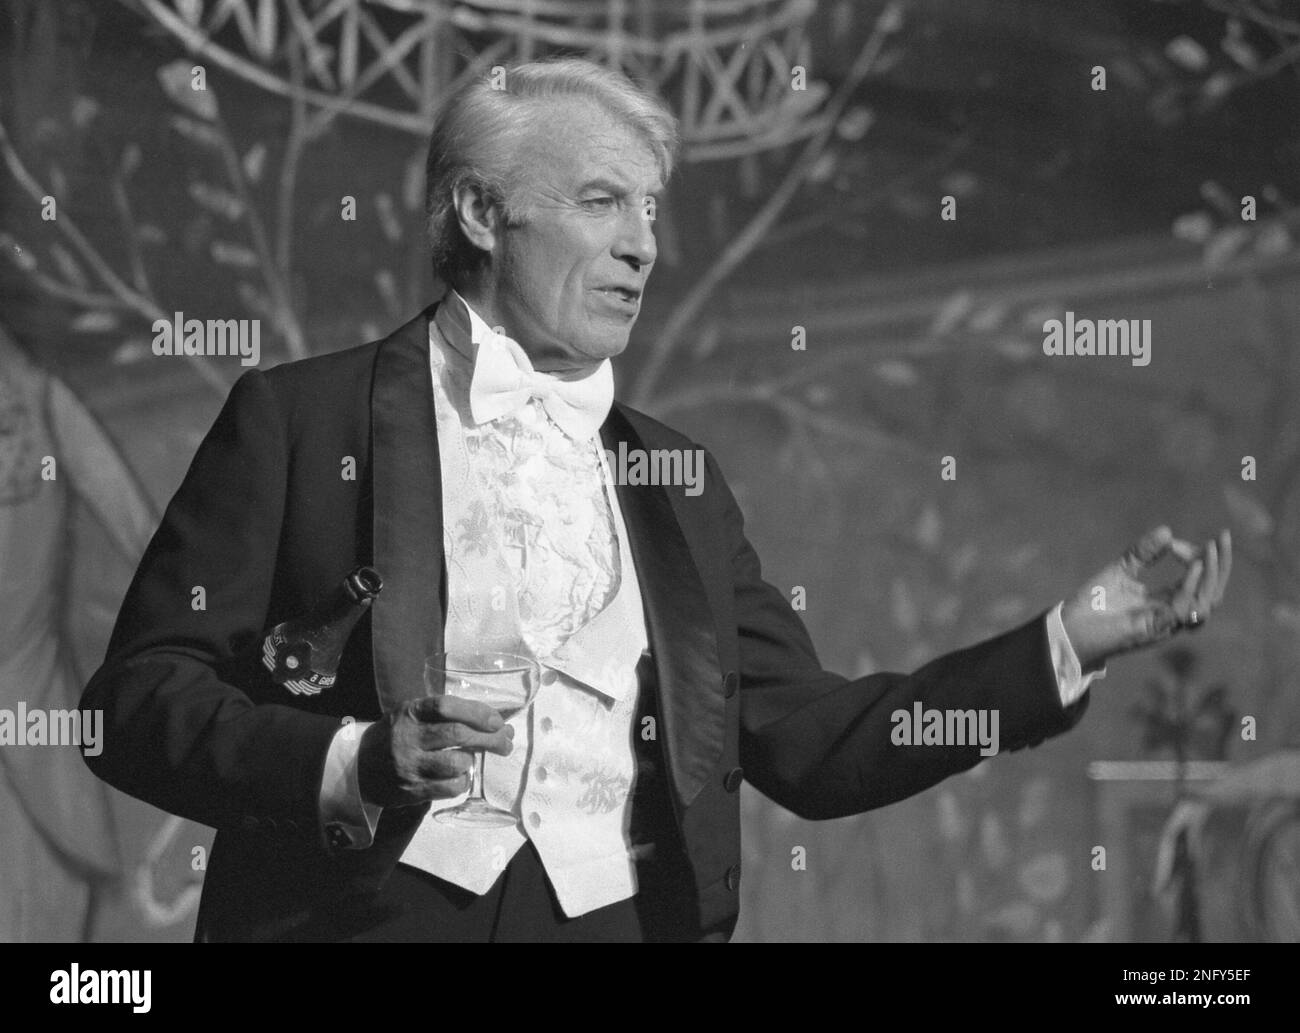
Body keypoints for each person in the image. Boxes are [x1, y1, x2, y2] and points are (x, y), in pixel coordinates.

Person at [81, 58, 1231, 943]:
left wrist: (1061, 645)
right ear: (482, 214)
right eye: (600, 203)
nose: (643, 247)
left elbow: (812, 745)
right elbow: (134, 702)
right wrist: (355, 760)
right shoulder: (298, 420)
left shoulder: (674, 479)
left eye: (650, 210)